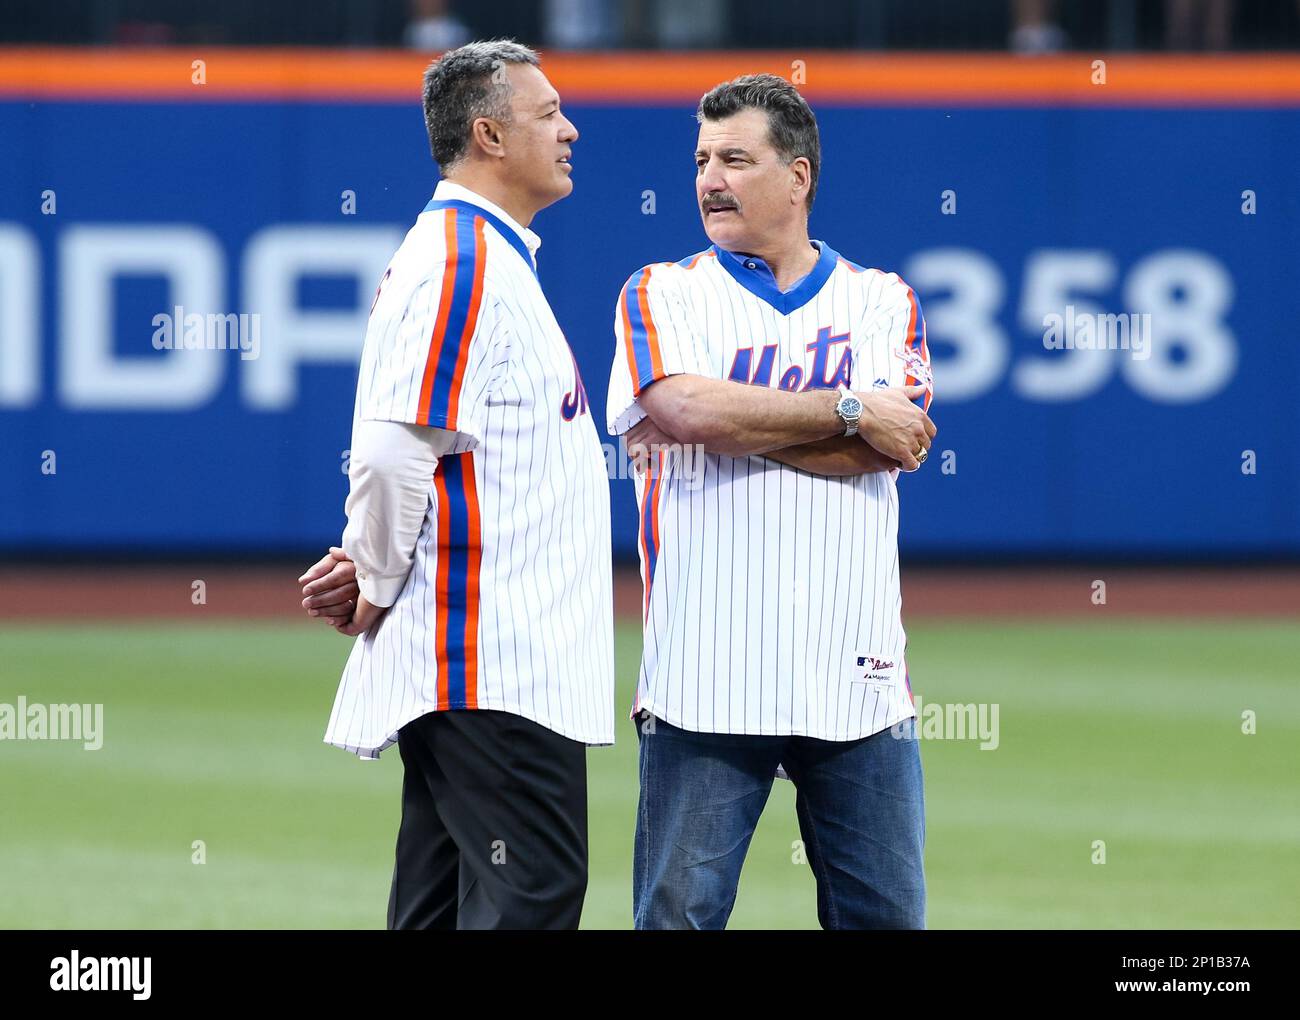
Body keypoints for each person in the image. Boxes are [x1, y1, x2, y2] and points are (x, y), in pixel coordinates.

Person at [607, 73, 935, 930]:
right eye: (702, 159)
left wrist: (735, 422)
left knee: (887, 920)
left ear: (798, 178)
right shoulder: (661, 291)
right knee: (679, 919)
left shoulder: (880, 299)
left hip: (858, 681)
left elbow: (891, 447)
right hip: (704, 676)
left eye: (736, 159)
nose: (709, 178)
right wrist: (848, 405)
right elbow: (683, 409)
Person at [298, 40, 614, 930]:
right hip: (488, 660)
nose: (570, 128)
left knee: (439, 908)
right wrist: (373, 573)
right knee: (533, 893)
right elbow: (394, 450)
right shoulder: (465, 259)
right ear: (489, 134)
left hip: (490, 660)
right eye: (548, 113)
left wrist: (372, 562)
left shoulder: (485, 255)